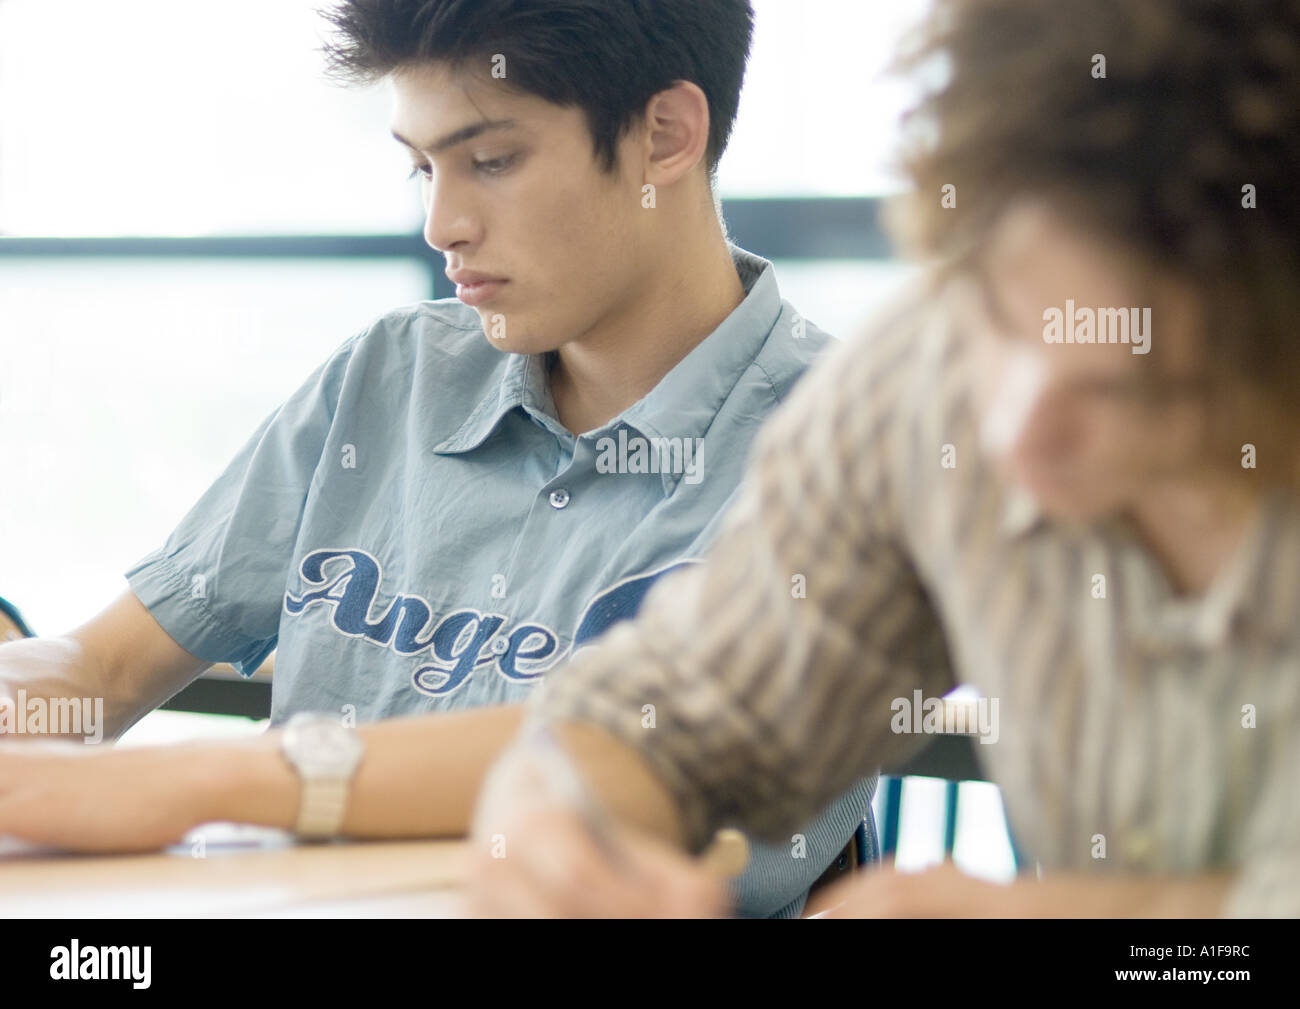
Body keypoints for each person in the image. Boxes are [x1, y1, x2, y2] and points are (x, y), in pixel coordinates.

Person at [0, 0, 877, 917]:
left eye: (491, 161)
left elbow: (668, 758)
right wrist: (33, 692)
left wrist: (200, 781)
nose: (441, 224)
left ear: (664, 136)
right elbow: (102, 668)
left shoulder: (844, 445)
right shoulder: (389, 374)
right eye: (422, 168)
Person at [466, 0, 1300, 917]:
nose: (1015, 432)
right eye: (995, 313)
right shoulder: (918, 383)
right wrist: (555, 799)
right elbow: (692, 705)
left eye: (1134, 389)